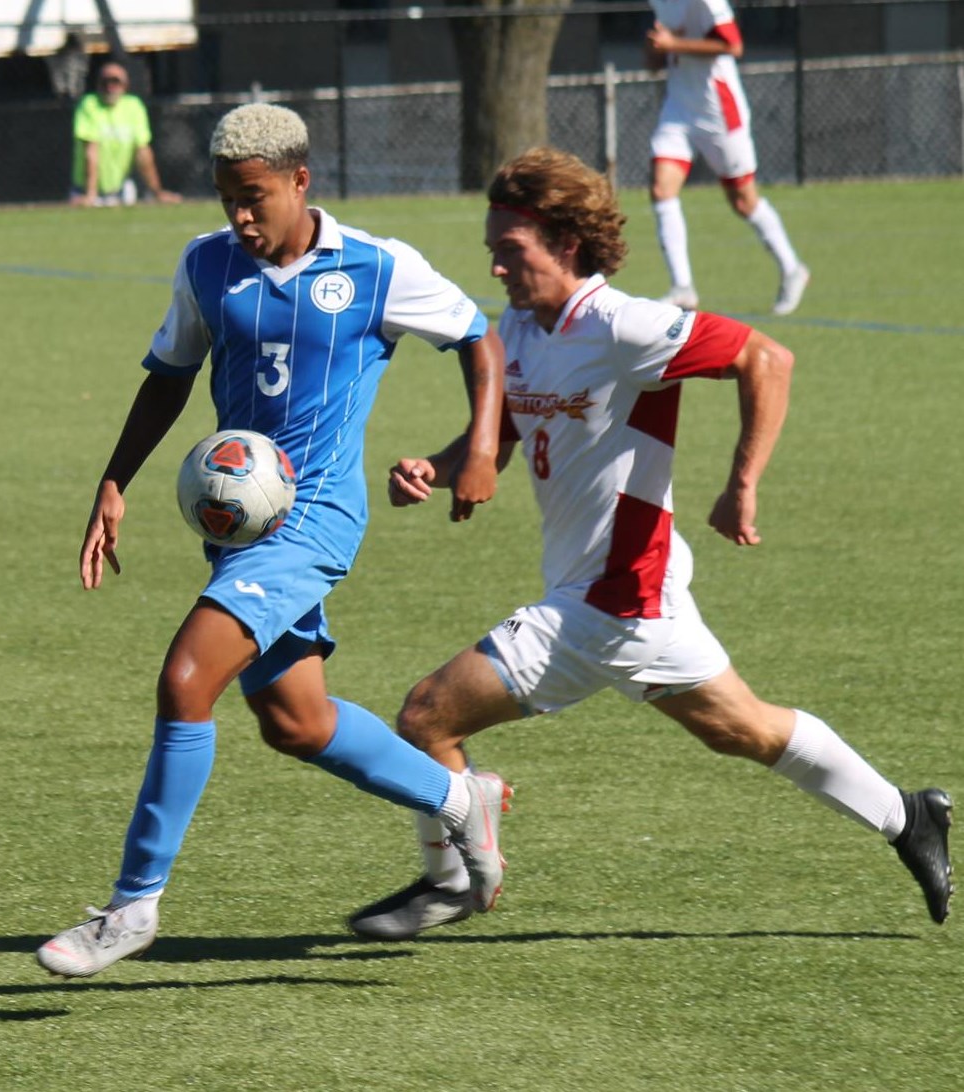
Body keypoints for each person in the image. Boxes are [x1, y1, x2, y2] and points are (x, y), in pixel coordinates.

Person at [347, 147, 951, 942]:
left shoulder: (623, 324)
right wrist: (449, 461)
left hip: (610, 600)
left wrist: (742, 483)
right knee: (743, 728)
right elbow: (508, 421)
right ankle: (908, 815)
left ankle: (454, 877)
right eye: (491, 249)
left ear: (564, 242)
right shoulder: (522, 326)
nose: (494, 267)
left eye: (510, 249)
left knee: (427, 715)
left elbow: (765, 358)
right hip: (632, 598)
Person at [37, 103, 509, 978]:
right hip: (239, 529)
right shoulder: (207, 264)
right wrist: (113, 481)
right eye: (226, 199)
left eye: (253, 198)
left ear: (299, 182)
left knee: (186, 679)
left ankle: (132, 906)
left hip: (318, 516)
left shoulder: (375, 268)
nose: (239, 217)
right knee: (296, 722)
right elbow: (168, 377)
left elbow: (478, 338)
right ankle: (456, 796)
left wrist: (479, 447)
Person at [645, 0, 811, 315]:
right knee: (661, 190)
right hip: (678, 107)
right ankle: (683, 288)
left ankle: (792, 269)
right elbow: (657, 56)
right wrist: (656, 48)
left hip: (719, 110)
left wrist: (673, 43)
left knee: (744, 201)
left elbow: (733, 44)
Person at [70, 60, 181, 207]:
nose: (110, 87)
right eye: (105, 82)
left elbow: (143, 153)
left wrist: (157, 192)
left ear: (125, 85)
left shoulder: (133, 106)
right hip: (86, 191)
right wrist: (91, 195)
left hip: (119, 191)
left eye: (115, 82)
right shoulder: (89, 104)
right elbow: (91, 152)